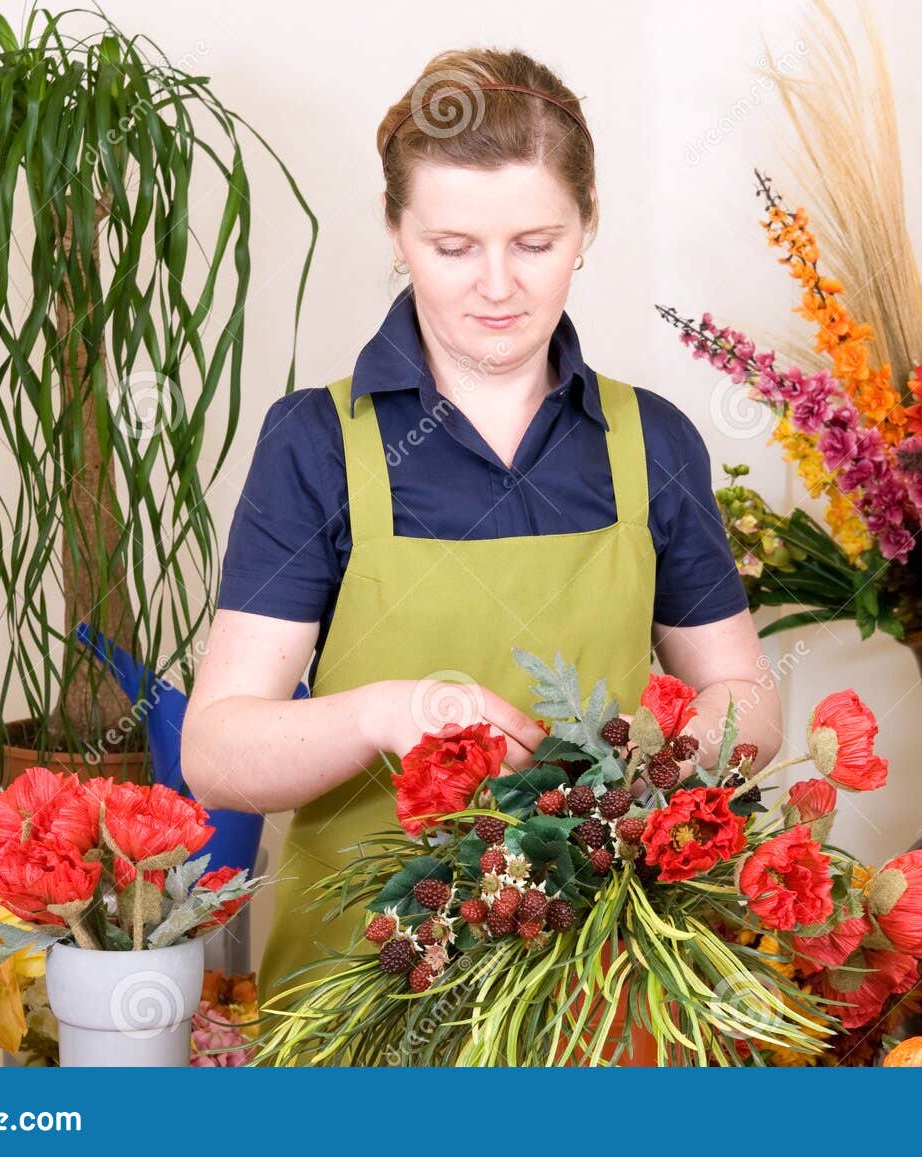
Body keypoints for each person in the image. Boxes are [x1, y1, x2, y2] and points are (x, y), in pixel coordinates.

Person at [181, 47, 783, 1005]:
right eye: (452, 246)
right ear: (396, 232)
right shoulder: (318, 443)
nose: (496, 286)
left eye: (535, 243)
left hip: (602, 982)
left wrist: (645, 762)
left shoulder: (649, 439)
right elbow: (216, 753)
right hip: (360, 997)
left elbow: (749, 693)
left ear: (587, 225)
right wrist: (392, 713)